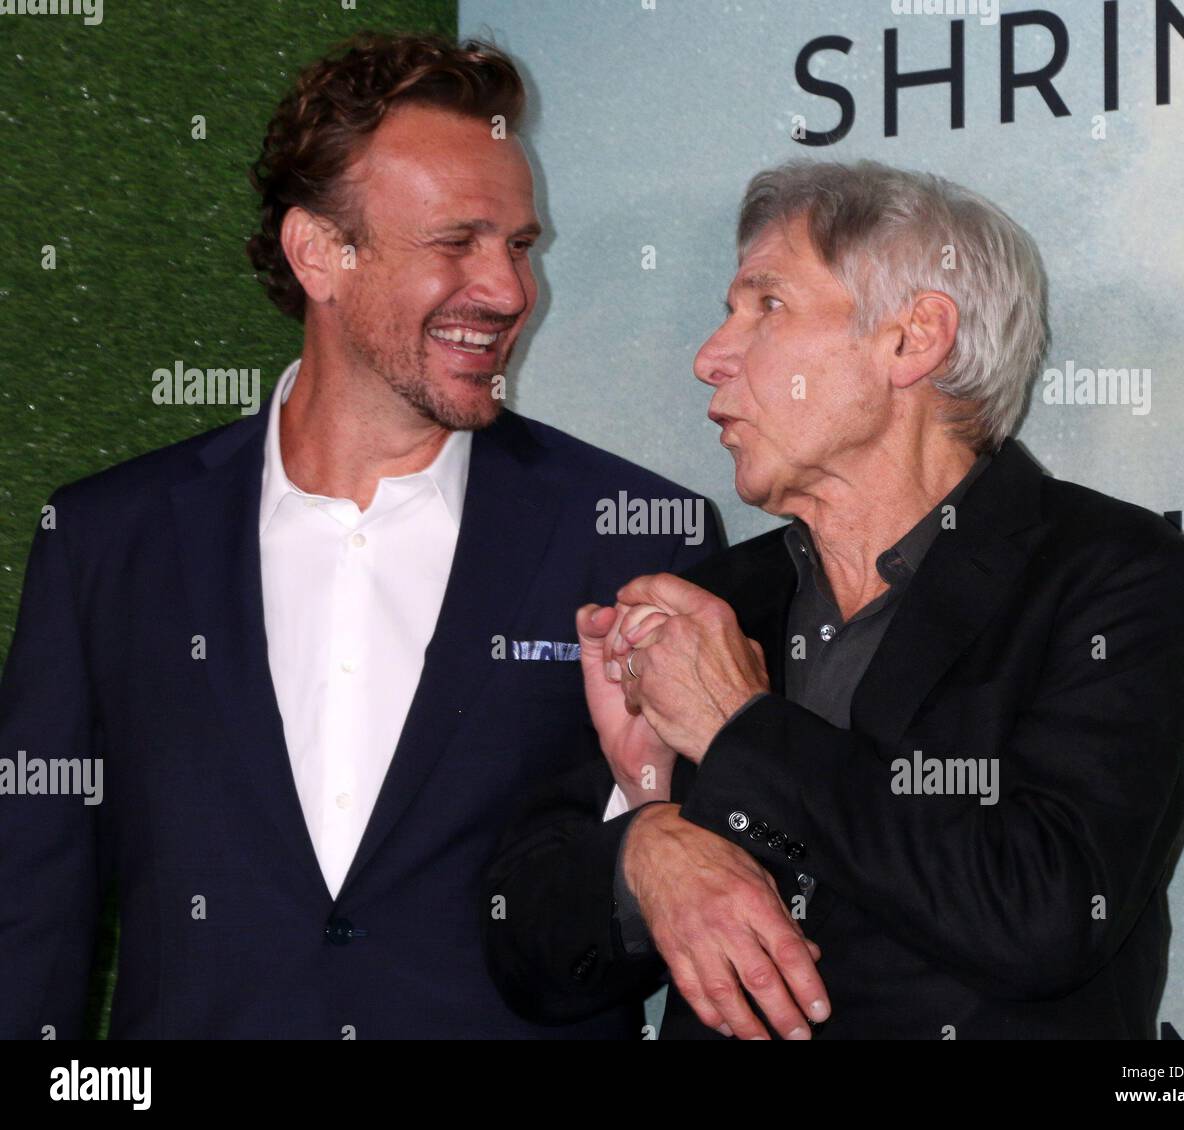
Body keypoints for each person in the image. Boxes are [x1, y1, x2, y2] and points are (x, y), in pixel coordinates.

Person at [0, 31, 718, 1039]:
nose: (509, 290)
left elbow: (684, 911)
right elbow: (28, 917)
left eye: (518, 244)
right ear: (319, 253)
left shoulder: (638, 534)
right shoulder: (106, 542)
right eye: (455, 240)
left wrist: (642, 814)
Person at [483, 159, 1184, 1040]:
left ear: (914, 339)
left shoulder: (1113, 577)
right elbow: (521, 946)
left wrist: (737, 724)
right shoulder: (718, 598)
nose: (709, 357)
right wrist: (647, 836)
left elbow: (1046, 914)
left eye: (767, 306)